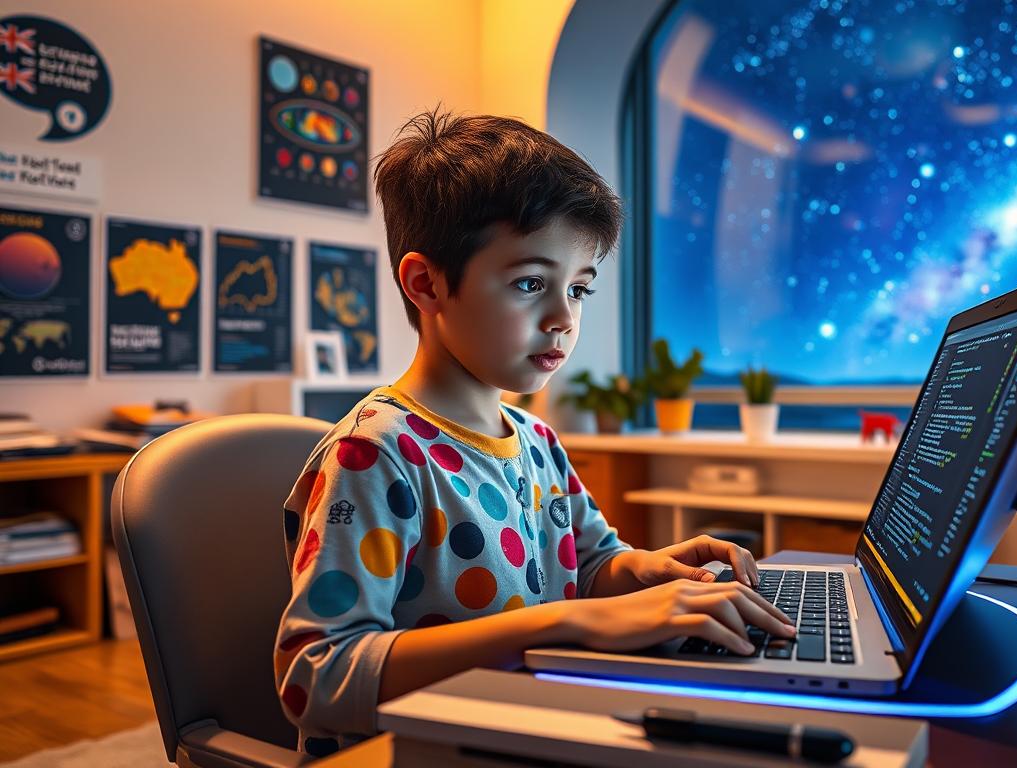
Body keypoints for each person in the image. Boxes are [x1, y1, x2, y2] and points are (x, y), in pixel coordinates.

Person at [274, 109, 795, 758]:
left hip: (532, 727)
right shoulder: (375, 453)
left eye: (579, 289)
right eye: (530, 284)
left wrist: (654, 572)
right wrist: (571, 622)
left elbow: (594, 565)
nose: (562, 319)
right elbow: (316, 677)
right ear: (425, 283)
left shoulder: (535, 439)